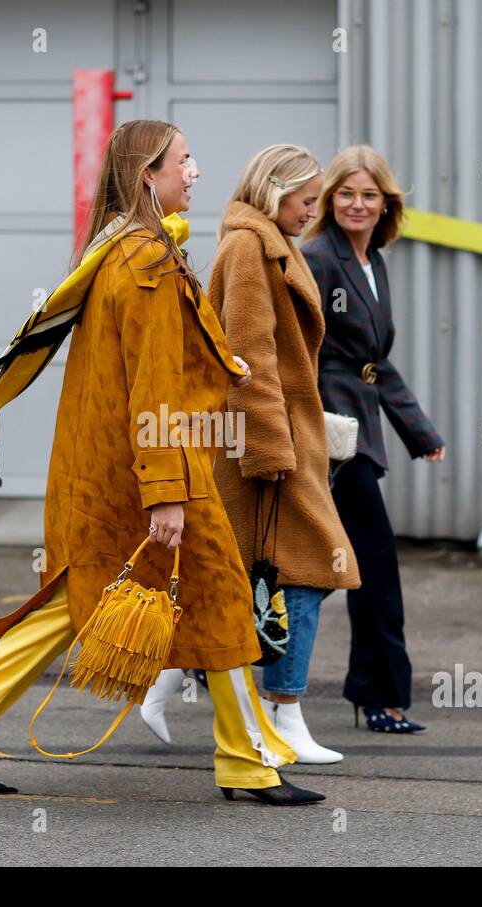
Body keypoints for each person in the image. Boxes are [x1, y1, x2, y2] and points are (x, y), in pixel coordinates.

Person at [0, 120, 322, 805]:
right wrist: (167, 492)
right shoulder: (145, 262)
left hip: (115, 469)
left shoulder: (129, 250)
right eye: (185, 161)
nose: (195, 173)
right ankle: (245, 765)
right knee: (220, 599)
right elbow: (156, 384)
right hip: (153, 473)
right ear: (149, 174)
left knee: (93, 600)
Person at [140, 145, 361, 764]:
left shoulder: (270, 243)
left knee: (244, 577)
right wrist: (267, 449)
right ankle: (283, 712)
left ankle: (173, 676)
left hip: (285, 441)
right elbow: (248, 356)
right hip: (266, 448)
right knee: (310, 573)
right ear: (273, 191)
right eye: (306, 199)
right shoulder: (249, 246)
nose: (314, 211)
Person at [300, 145, 446, 733]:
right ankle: (380, 696)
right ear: (330, 199)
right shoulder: (316, 258)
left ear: (386, 203)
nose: (358, 204)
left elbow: (374, 362)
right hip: (329, 432)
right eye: (346, 193)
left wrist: (418, 430)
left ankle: (217, 652)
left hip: (358, 427)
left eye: (369, 194)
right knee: (371, 561)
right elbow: (294, 347)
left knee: (321, 562)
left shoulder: (372, 260)